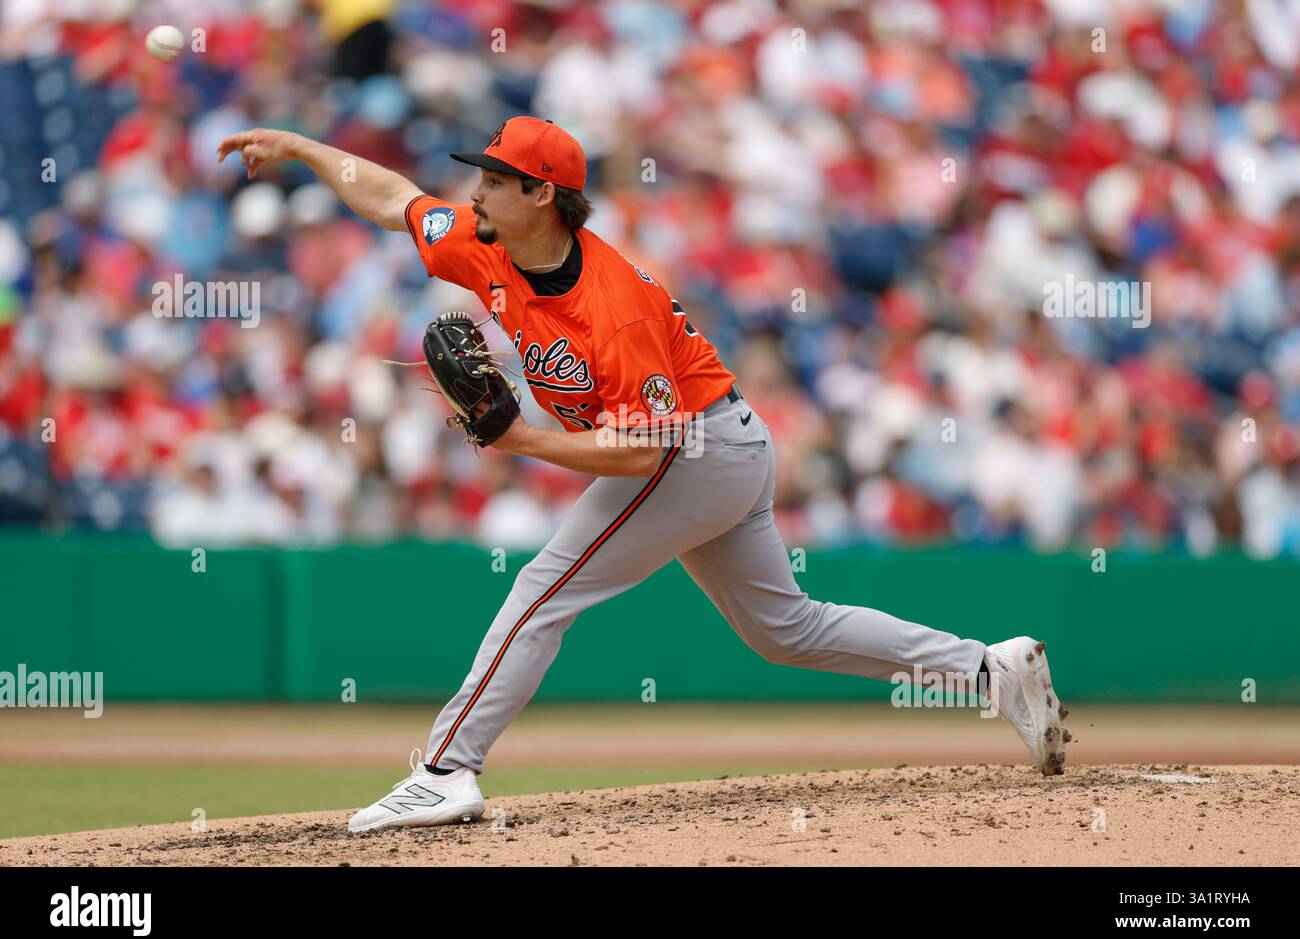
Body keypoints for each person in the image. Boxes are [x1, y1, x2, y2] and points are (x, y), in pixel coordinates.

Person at [217, 117, 1069, 833]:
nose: (475, 191)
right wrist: (303, 148)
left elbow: (642, 454)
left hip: (695, 451)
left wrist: (519, 440)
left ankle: (446, 768)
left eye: (495, 179)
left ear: (541, 195)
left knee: (544, 593)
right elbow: (394, 200)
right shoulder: (486, 244)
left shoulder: (612, 303)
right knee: (787, 631)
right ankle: (993, 671)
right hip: (717, 444)